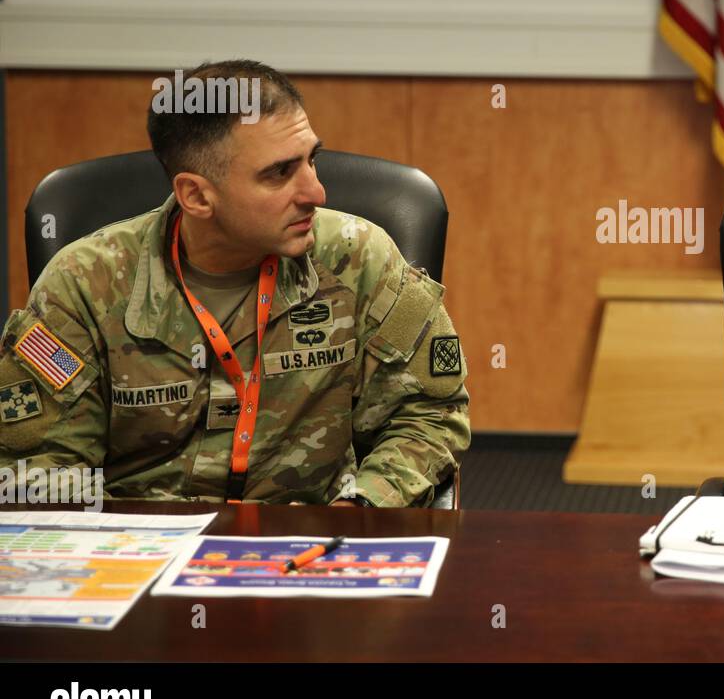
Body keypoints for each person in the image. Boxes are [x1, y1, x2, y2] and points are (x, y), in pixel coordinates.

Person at [0, 60, 469, 507]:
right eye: (280, 173)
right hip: (139, 552)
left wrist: (362, 507)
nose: (316, 193)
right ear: (197, 196)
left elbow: (428, 415)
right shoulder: (83, 285)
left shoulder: (358, 258)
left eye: (312, 160)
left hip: (306, 545)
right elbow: (41, 466)